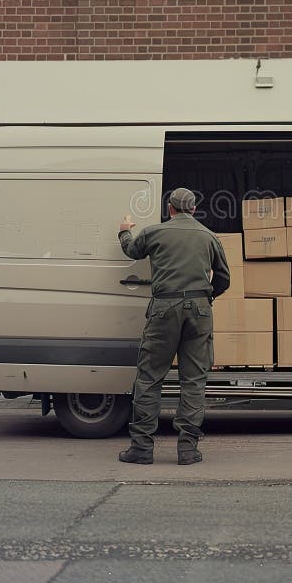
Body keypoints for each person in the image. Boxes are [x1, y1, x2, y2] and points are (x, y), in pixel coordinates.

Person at [116, 187, 230, 466]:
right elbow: (224, 279)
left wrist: (124, 230)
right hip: (199, 311)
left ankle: (142, 448)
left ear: (170, 209)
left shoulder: (154, 233)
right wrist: (205, 297)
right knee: (193, 381)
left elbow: (132, 250)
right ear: (193, 209)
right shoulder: (209, 236)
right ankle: (188, 450)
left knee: (149, 378)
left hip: (164, 309)